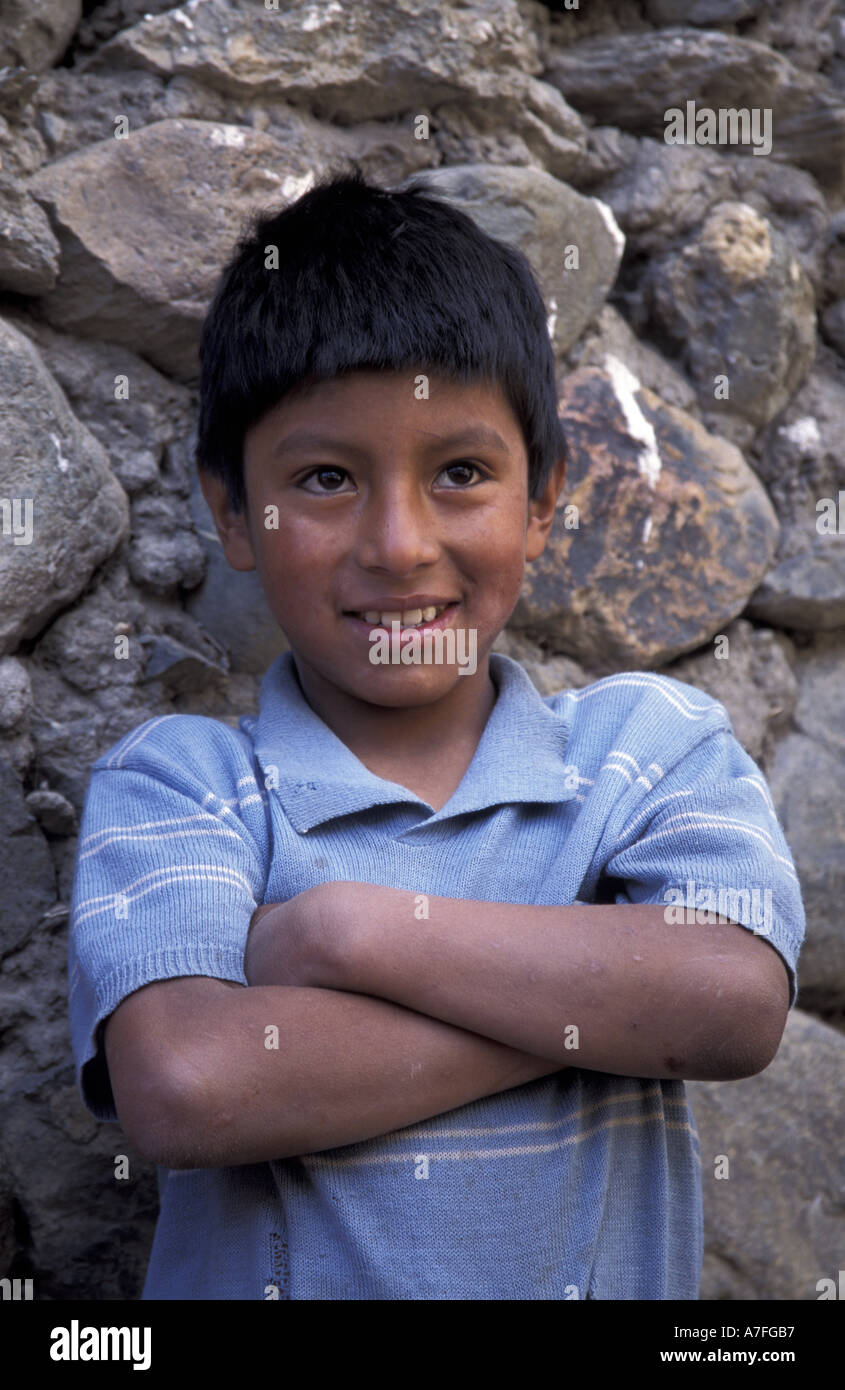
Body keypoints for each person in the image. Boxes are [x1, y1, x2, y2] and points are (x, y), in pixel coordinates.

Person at [67, 166, 803, 1300]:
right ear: (230, 512)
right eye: (325, 478)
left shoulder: (645, 750)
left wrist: (344, 934)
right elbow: (191, 1085)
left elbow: (731, 1002)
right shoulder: (184, 784)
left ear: (543, 496)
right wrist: (600, 1006)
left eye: (460, 472)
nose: (399, 544)